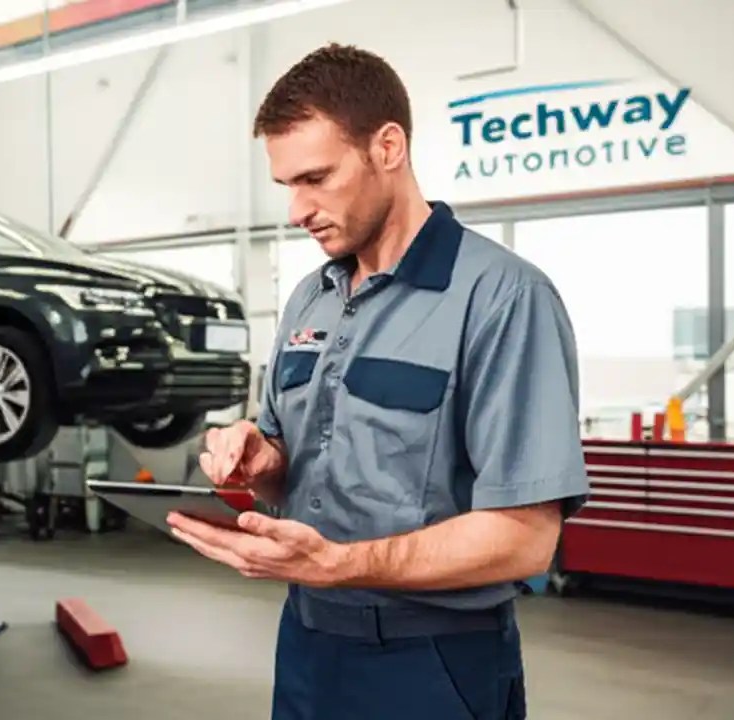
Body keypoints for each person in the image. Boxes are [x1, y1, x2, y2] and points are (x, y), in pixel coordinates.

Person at [166, 43, 590, 720]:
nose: (298, 210)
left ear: (387, 146)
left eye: (316, 177)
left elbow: (525, 536)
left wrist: (337, 563)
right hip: (305, 643)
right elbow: (290, 469)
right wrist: (259, 458)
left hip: (434, 664)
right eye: (286, 187)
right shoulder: (311, 297)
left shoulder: (503, 297)